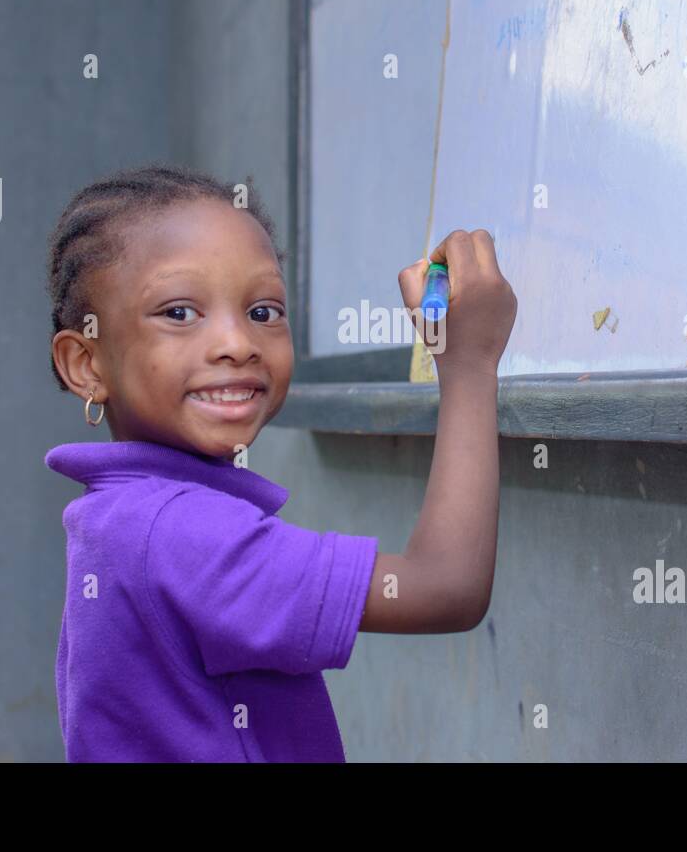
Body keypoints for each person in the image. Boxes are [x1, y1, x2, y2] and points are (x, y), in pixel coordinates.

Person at [44, 165, 517, 761]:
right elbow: (447, 589)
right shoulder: (184, 534)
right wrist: (468, 363)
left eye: (263, 311)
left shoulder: (113, 516)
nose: (238, 343)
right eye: (179, 313)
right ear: (87, 364)